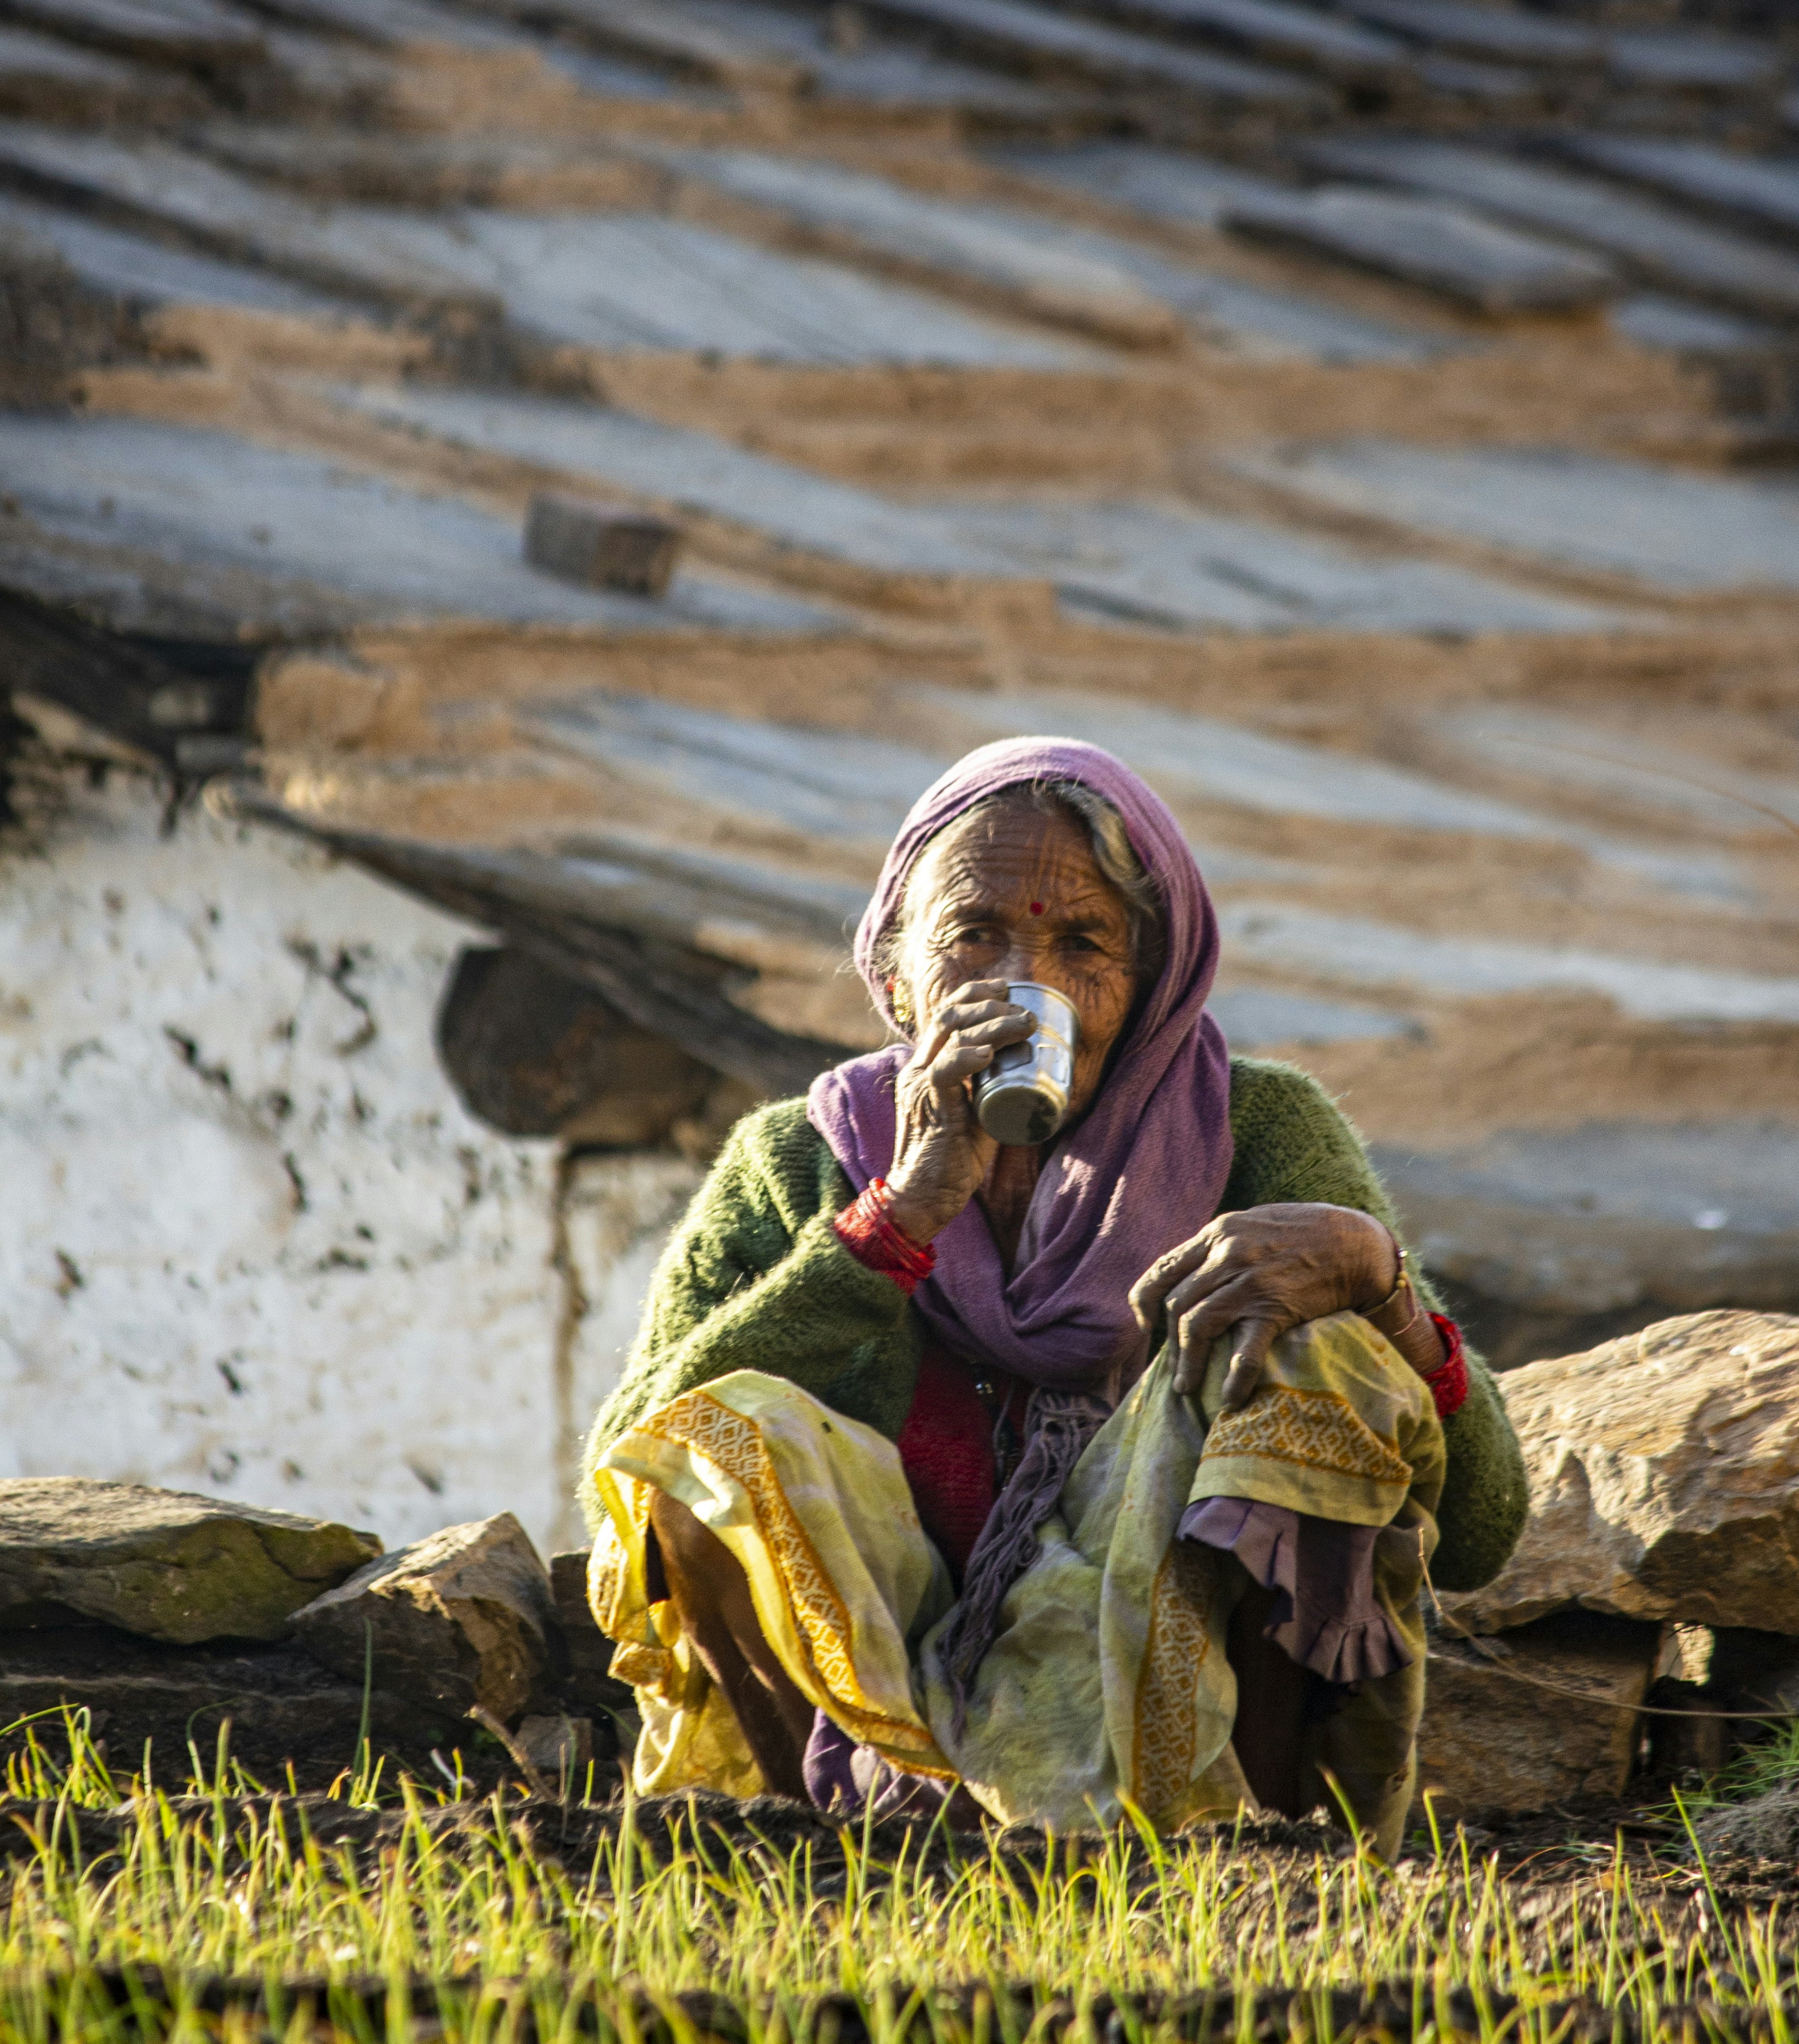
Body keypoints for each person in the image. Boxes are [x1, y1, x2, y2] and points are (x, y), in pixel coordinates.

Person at [583, 737, 1527, 1855]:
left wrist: (1387, 1294)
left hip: (1188, 1730)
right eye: (974, 935)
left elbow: (1482, 1534)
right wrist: (896, 1219)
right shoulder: (799, 1161)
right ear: (896, 978)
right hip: (878, 1696)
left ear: (1151, 988)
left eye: (1083, 942)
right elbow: (638, 1466)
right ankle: (848, 1862)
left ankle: (1264, 1857)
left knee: (1328, 1363)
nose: (1024, 982)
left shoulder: (1257, 1131)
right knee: (726, 1438)